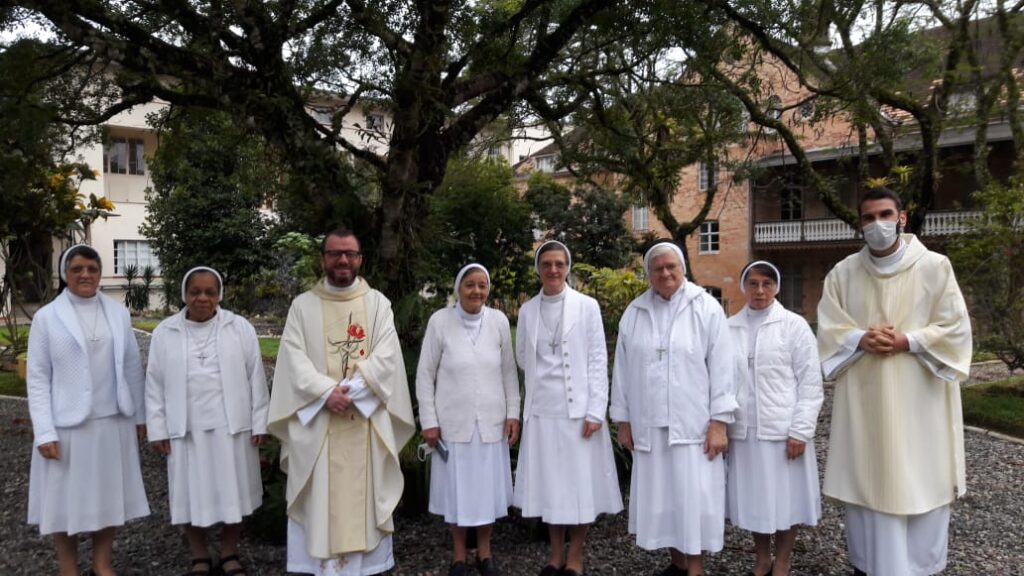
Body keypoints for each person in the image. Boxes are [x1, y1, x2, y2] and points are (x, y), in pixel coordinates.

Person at [818, 188, 972, 576]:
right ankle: (869, 567)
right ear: (859, 224)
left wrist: (909, 341)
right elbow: (830, 328)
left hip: (920, 403)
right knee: (870, 481)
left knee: (920, 479)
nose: (877, 224)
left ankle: (920, 568)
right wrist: (859, 339)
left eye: (885, 214)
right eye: (868, 218)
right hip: (866, 404)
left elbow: (955, 327)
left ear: (901, 218)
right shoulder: (843, 272)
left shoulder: (935, 266)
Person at [268, 228, 415, 576]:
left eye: (350, 253)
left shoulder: (378, 303)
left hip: (363, 425)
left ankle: (364, 569)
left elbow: (386, 355)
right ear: (323, 259)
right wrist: (324, 393)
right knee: (321, 501)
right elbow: (292, 358)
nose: (343, 260)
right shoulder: (302, 306)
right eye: (335, 253)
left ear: (360, 258)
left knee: (364, 501)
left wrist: (350, 392)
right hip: (319, 425)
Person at [610, 241, 736, 576]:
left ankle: (694, 567)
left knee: (691, 499)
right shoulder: (635, 313)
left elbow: (724, 367)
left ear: (682, 267)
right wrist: (623, 420)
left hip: (692, 424)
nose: (665, 273)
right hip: (650, 424)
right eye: (657, 268)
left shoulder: (706, 308)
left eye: (671, 267)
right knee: (665, 499)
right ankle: (677, 564)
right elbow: (622, 370)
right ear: (648, 273)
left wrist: (719, 422)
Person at [26, 244, 150, 576]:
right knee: (65, 502)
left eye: (92, 269)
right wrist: (44, 431)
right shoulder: (47, 317)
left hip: (112, 421)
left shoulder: (118, 313)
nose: (85, 274)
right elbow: (37, 379)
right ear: (65, 274)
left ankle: (102, 564)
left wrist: (139, 416)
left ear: (99, 273)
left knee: (108, 499)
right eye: (77, 269)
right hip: (67, 425)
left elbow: (132, 368)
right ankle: (69, 568)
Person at [146, 266, 270, 576]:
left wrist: (260, 422)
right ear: (184, 294)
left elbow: (256, 376)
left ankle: (229, 553)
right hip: (185, 429)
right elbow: (154, 383)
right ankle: (199, 554)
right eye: (195, 292)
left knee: (233, 492)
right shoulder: (165, 331)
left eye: (210, 292)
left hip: (232, 427)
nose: (202, 298)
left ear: (219, 295)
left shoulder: (239, 327)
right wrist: (157, 427)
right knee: (188, 494)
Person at [513, 240, 623, 576]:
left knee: (578, 487)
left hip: (578, 413)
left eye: (559, 263)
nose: (553, 270)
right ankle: (554, 554)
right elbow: (521, 357)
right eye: (546, 264)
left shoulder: (586, 306)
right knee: (551, 487)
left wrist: (595, 410)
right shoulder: (528, 310)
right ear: (538, 269)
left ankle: (575, 555)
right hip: (542, 412)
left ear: (568, 266)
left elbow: (596, 359)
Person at [415, 263, 521, 576]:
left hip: (491, 422)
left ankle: (485, 554)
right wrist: (429, 421)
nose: (476, 291)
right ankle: (459, 555)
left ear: (488, 289)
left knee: (486, 491)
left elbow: (508, 372)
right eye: (470, 285)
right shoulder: (440, 321)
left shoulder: (499, 321)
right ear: (459, 288)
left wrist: (513, 413)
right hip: (452, 424)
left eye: (482, 285)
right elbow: (424, 375)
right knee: (455, 491)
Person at [725, 261, 823, 576]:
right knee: (757, 501)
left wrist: (801, 430)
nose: (760, 291)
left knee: (786, 501)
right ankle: (761, 558)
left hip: (783, 432)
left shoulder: (794, 326)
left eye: (767, 284)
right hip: (746, 431)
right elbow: (722, 381)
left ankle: (782, 561)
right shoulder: (729, 327)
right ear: (744, 287)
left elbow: (810, 382)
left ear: (776, 287)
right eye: (753, 284)